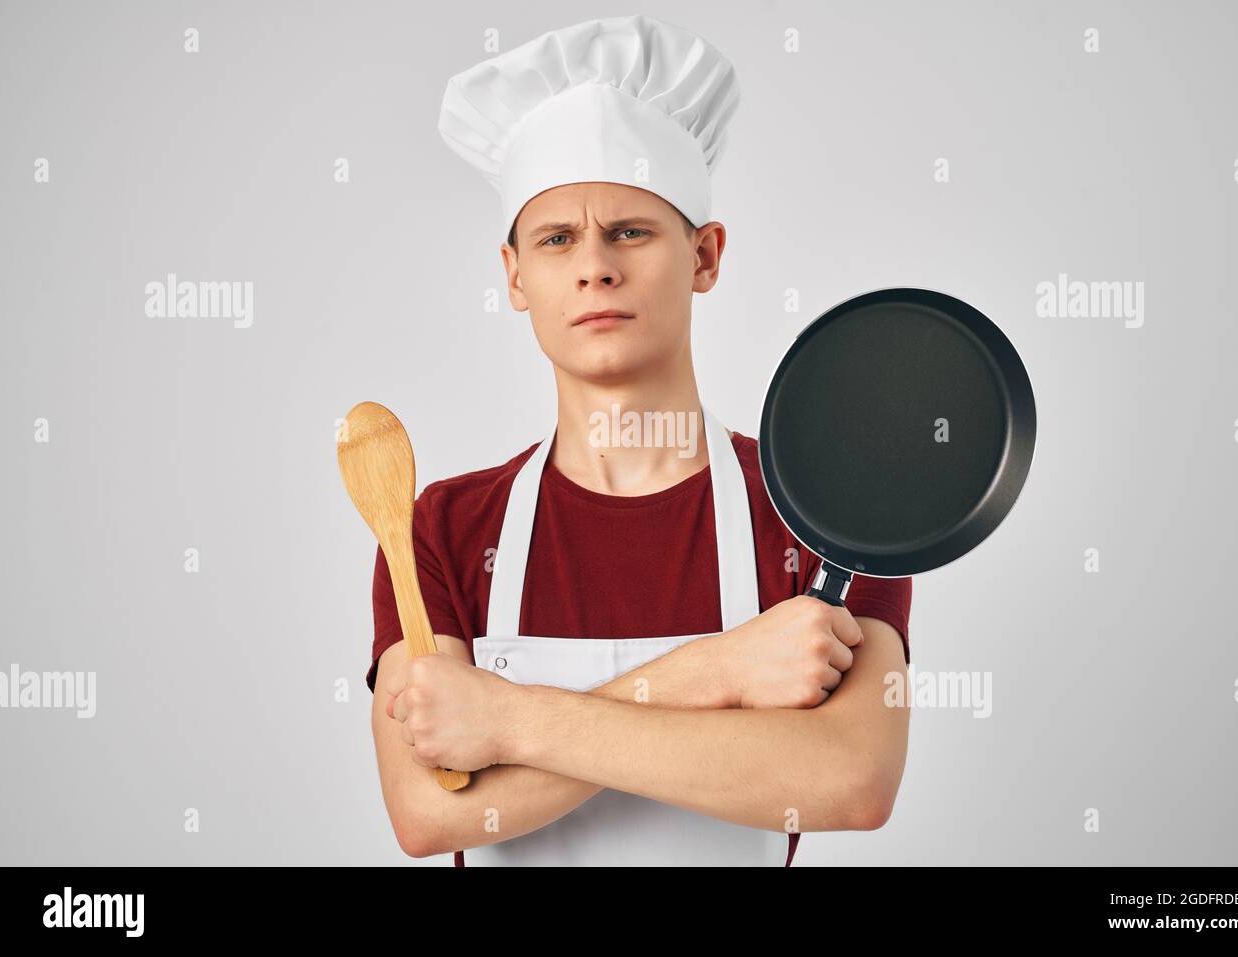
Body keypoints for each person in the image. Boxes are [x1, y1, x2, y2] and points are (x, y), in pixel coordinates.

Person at [367, 14, 913, 866]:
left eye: (630, 231)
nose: (596, 267)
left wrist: (506, 720)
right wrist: (719, 674)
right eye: (556, 239)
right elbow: (430, 814)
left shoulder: (828, 508)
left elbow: (848, 780)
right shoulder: (438, 528)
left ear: (705, 254)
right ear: (515, 275)